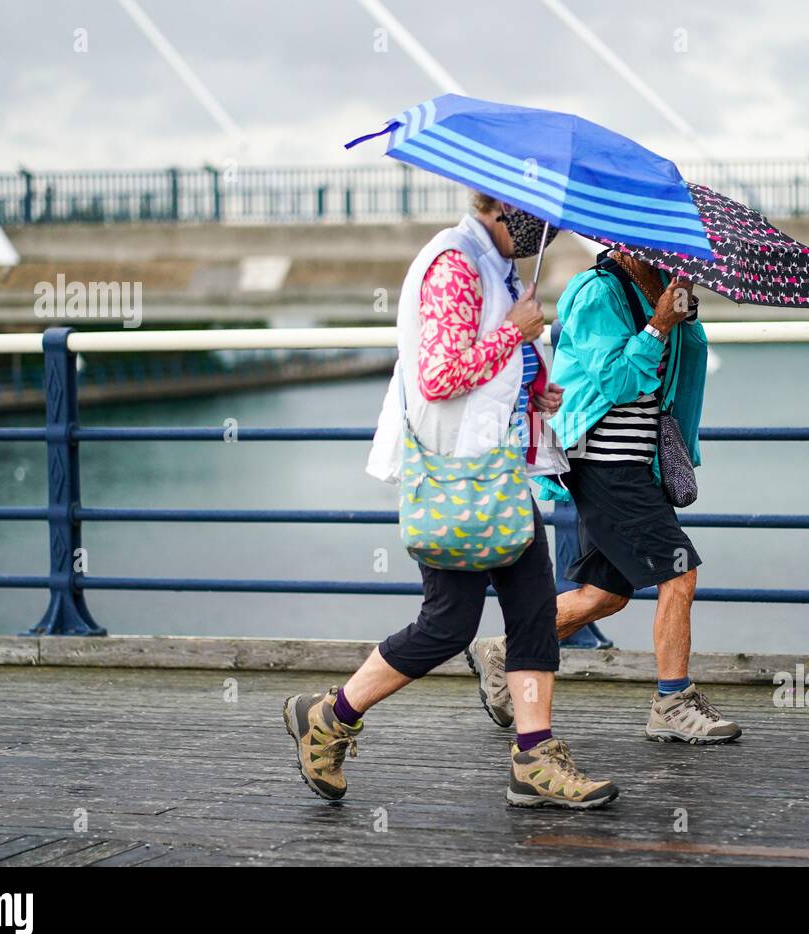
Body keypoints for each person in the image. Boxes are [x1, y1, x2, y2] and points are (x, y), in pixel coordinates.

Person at [282, 193, 619, 809]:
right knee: (449, 624)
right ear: (495, 206)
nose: (544, 235)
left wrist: (534, 384)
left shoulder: (494, 265)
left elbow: (485, 365)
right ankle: (328, 716)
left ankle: (534, 758)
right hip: (456, 478)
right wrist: (513, 333)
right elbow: (440, 375)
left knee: (533, 611)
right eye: (535, 221)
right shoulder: (454, 266)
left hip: (496, 475)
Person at [466, 248, 742, 744]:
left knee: (606, 595)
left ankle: (504, 652)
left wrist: (681, 311)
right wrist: (659, 324)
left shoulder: (653, 282)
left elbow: (684, 366)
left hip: (639, 461)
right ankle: (672, 702)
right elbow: (615, 381)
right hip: (602, 461)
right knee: (679, 572)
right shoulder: (596, 291)